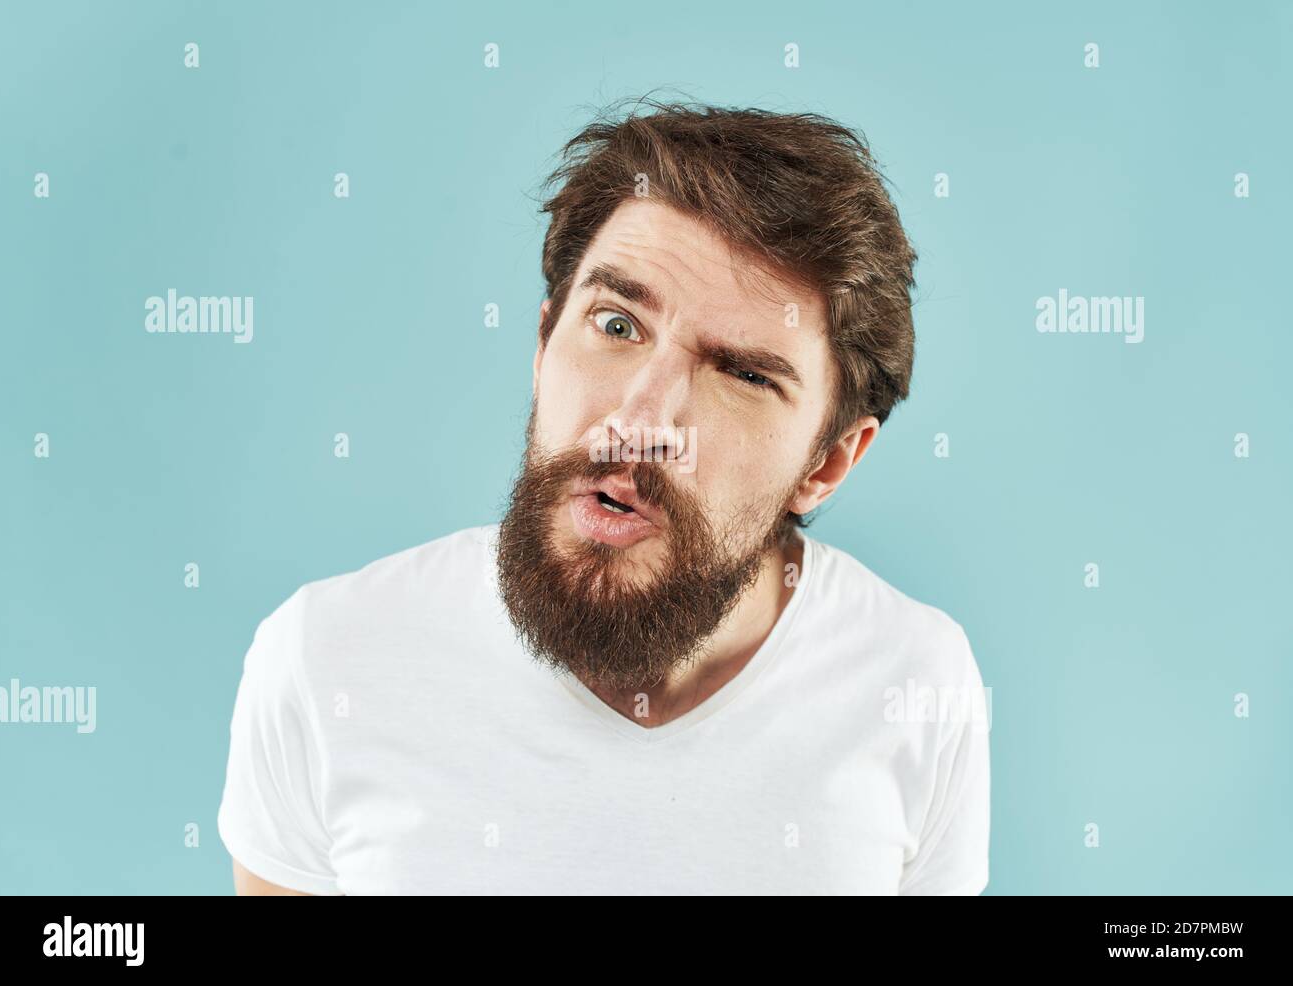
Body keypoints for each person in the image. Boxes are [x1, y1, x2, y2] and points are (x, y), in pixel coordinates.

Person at [217, 98, 990, 895]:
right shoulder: (327, 659)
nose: (641, 421)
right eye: (617, 325)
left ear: (826, 463)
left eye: (744, 374)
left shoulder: (916, 682)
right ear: (544, 342)